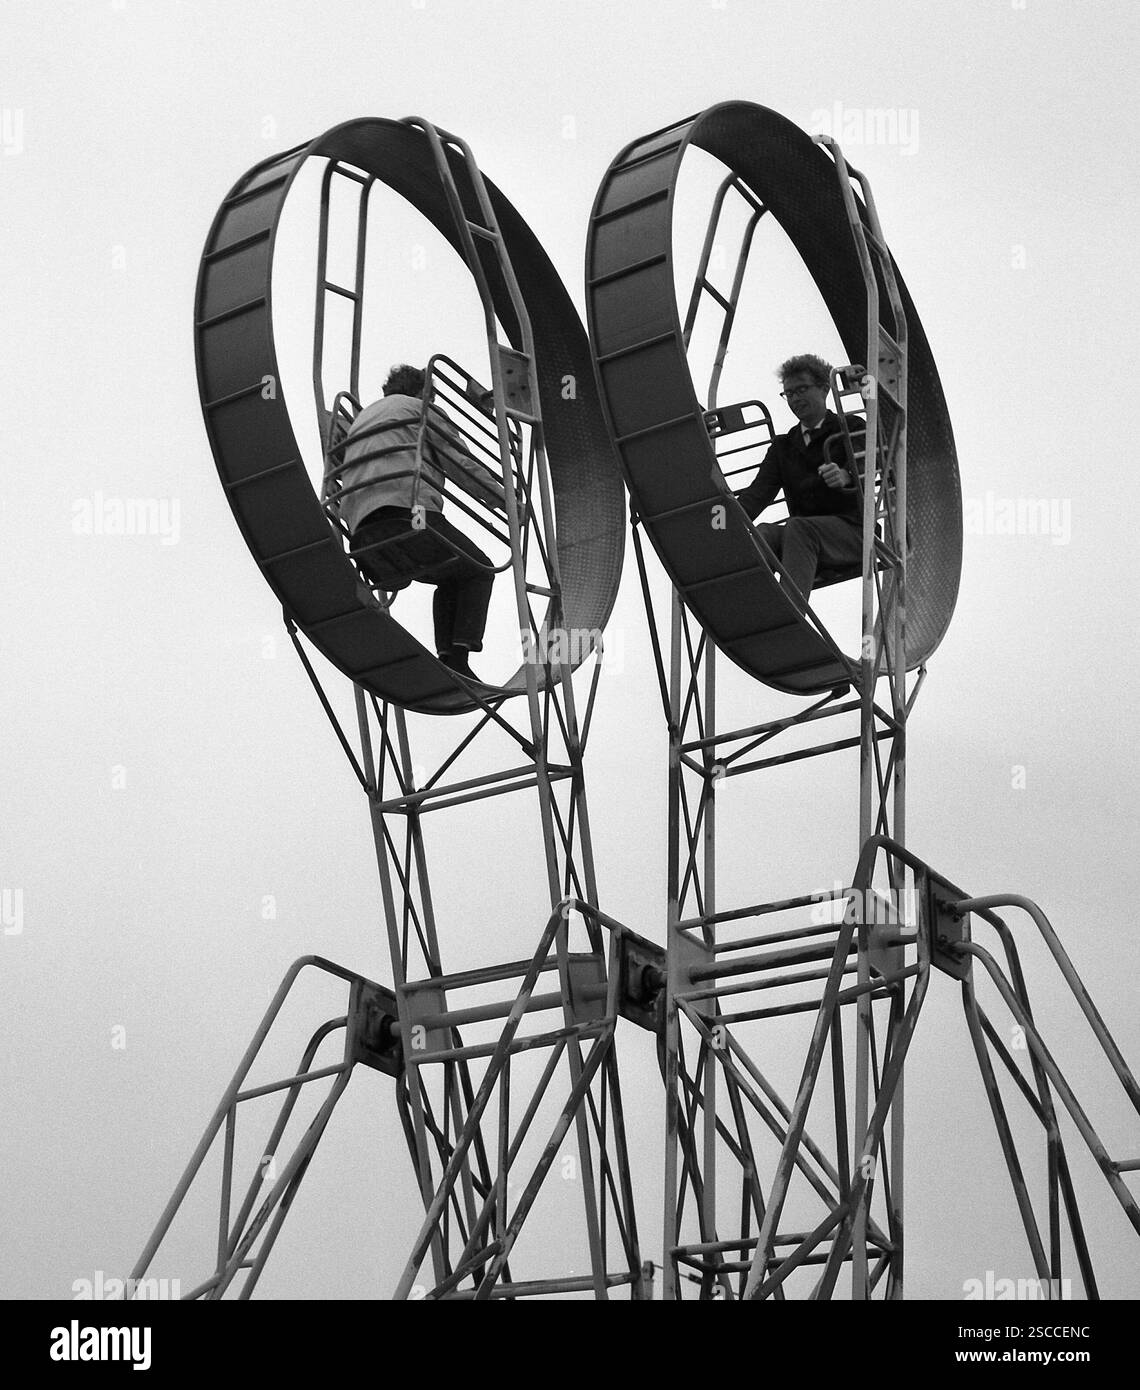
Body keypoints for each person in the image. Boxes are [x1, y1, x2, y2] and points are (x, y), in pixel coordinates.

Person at [332, 363, 507, 680]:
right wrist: (504, 500)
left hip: (362, 532)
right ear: (424, 392)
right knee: (479, 570)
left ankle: (450, 660)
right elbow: (460, 463)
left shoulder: (361, 420)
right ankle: (457, 659)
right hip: (409, 517)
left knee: (455, 573)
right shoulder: (421, 409)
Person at [733, 353, 864, 607]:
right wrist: (721, 521)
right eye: (789, 394)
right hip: (803, 540)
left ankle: (788, 612)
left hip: (851, 533)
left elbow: (871, 460)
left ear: (824, 389)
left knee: (799, 528)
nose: (795, 398)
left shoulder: (849, 427)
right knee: (764, 534)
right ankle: (747, 608)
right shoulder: (784, 446)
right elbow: (757, 495)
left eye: (802, 389)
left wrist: (846, 474)